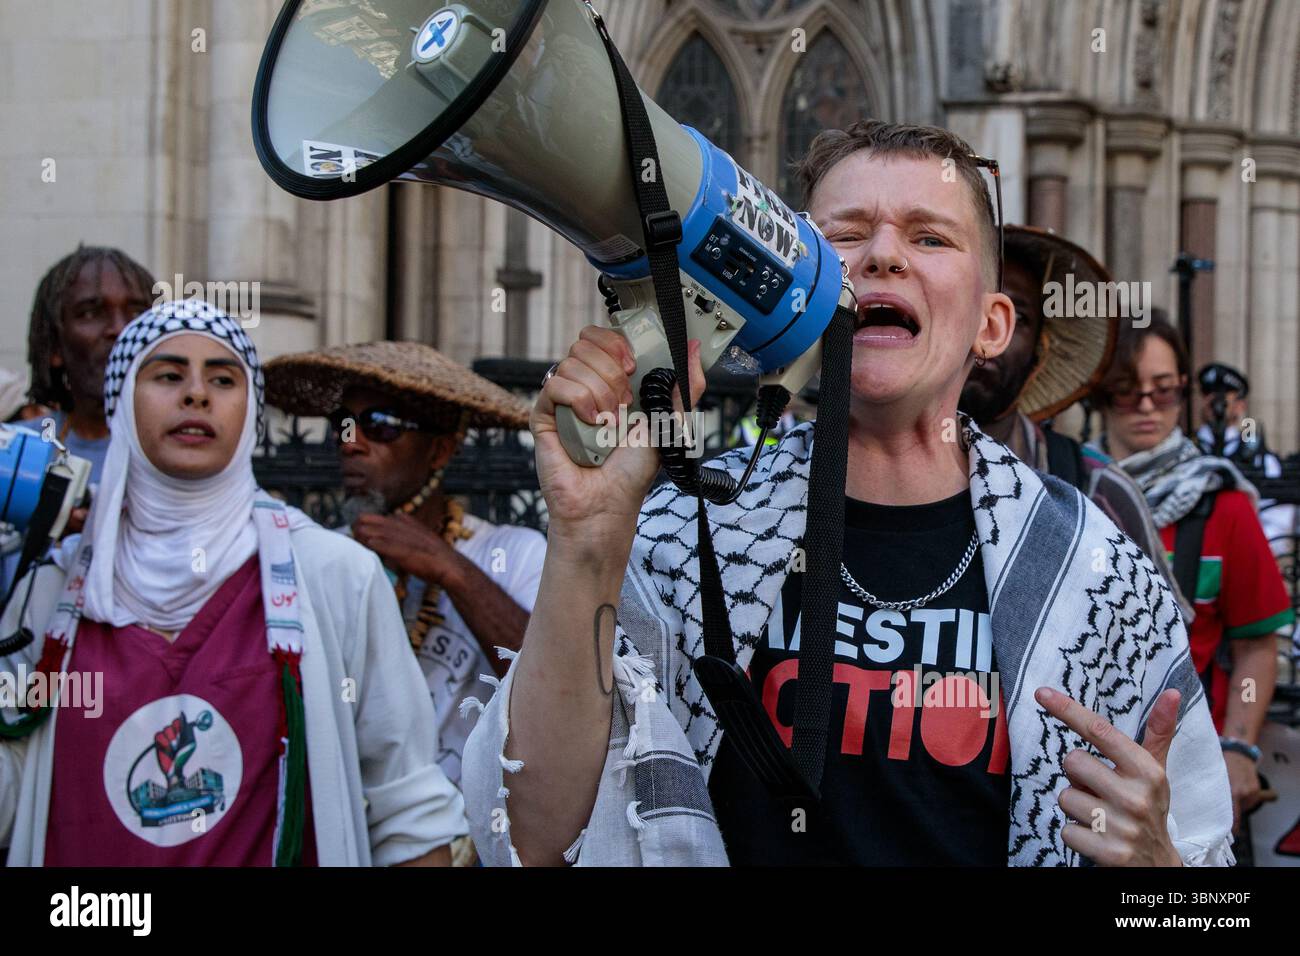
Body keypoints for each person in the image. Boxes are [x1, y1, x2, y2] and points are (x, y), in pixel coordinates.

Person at [460, 120, 1234, 867]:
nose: (884, 257)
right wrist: (587, 538)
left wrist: (1159, 864)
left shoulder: (1094, 578)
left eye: (929, 237)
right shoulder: (674, 537)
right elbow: (529, 840)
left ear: (993, 325)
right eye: (844, 236)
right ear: (794, 285)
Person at [0, 300, 465, 865]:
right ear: (121, 404)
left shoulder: (334, 575)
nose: (196, 394)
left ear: (249, 412)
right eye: (168, 375)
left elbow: (407, 808)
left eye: (223, 379)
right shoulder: (52, 587)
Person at [264, 342, 546, 790]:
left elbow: (551, 689)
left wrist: (448, 569)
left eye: (380, 425)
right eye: (343, 424)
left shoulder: (514, 553)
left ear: (439, 451)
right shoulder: (320, 558)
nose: (351, 443)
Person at [1090, 313, 1290, 838]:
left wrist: (1239, 746)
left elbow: (1257, 644)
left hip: (1188, 778)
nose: (1150, 408)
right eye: (1128, 393)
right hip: (1077, 770)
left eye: (1166, 390)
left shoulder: (1223, 504)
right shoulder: (1066, 495)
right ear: (1099, 396)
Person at [960, 225, 1189, 619]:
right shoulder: (849, 474)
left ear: (1039, 350)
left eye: (1017, 315)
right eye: (970, 307)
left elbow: (1162, 652)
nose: (989, 331)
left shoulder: (1099, 490)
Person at [20, 245, 157, 488]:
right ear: (54, 347)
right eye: (91, 313)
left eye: (137, 312)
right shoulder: (15, 454)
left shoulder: (191, 452)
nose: (119, 329)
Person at [1194, 362, 1296, 560]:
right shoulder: (1187, 450)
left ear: (1241, 405)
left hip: (1247, 559)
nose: (1214, 402)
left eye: (1225, 396)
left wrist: (1241, 552)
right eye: (1208, 393)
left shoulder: (1259, 458)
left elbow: (1279, 527)